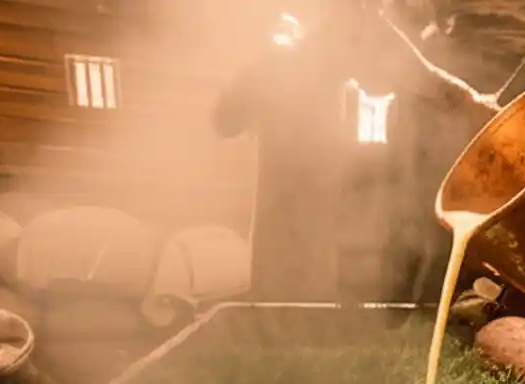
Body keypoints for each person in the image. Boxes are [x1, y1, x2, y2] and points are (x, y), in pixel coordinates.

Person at [211, 1, 497, 304]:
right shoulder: (348, 24)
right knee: (294, 286)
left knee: (293, 291)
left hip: (308, 215)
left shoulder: (310, 46)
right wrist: (478, 105)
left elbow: (224, 120)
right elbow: (424, 79)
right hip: (299, 211)